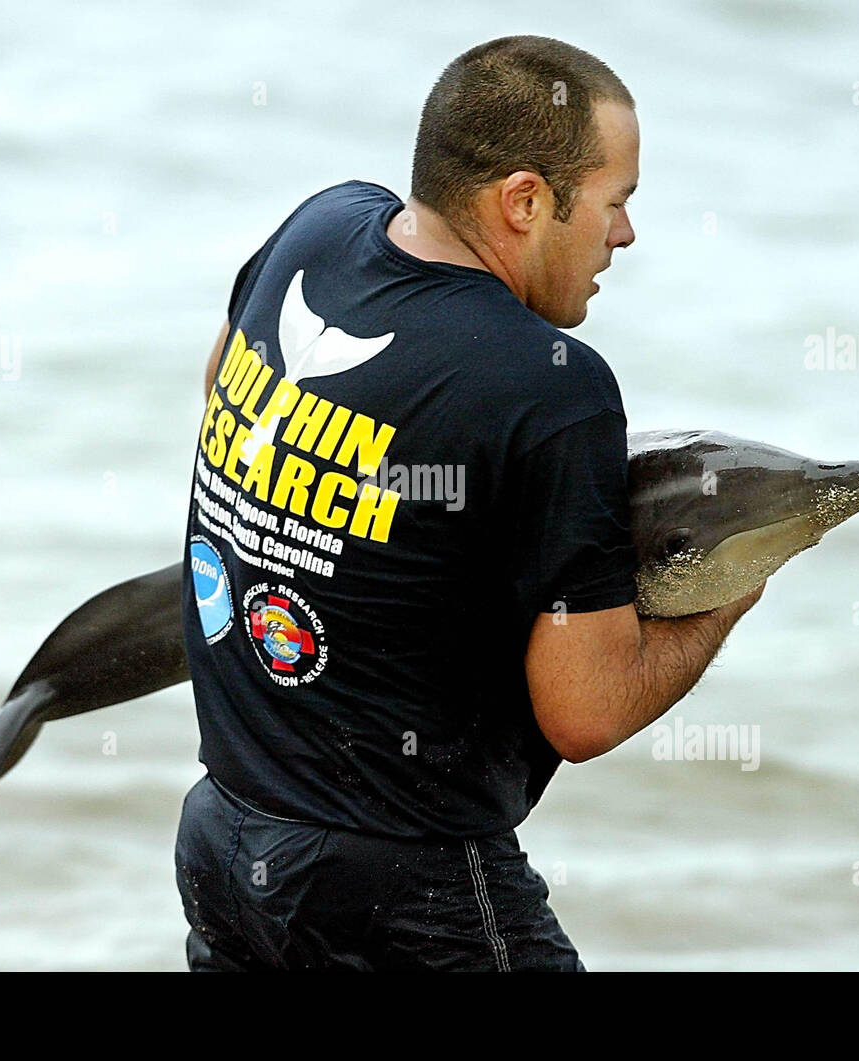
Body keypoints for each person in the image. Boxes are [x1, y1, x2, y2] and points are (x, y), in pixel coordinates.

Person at [175, 34, 764, 972]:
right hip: (405, 888)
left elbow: (220, 387)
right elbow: (587, 711)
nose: (625, 235)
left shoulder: (319, 229)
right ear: (526, 201)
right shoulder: (551, 385)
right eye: (616, 203)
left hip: (220, 837)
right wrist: (733, 589)